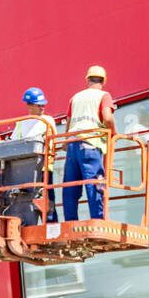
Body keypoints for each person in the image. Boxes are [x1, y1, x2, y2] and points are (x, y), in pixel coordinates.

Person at [63, 65, 116, 221]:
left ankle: (70, 222)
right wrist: (114, 133)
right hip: (90, 144)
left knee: (70, 186)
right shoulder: (104, 95)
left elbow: (69, 122)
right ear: (103, 81)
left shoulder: (75, 98)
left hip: (73, 143)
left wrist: (66, 142)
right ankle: (98, 220)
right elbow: (107, 118)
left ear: (87, 80)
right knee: (94, 184)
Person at [10, 87, 58, 223]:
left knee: (47, 201)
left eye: (43, 104)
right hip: (25, 170)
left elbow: (52, 140)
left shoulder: (47, 120)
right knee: (26, 202)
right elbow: (13, 142)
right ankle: (28, 227)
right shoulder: (21, 123)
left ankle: (51, 228)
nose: (43, 107)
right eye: (39, 104)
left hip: (43, 168)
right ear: (29, 105)